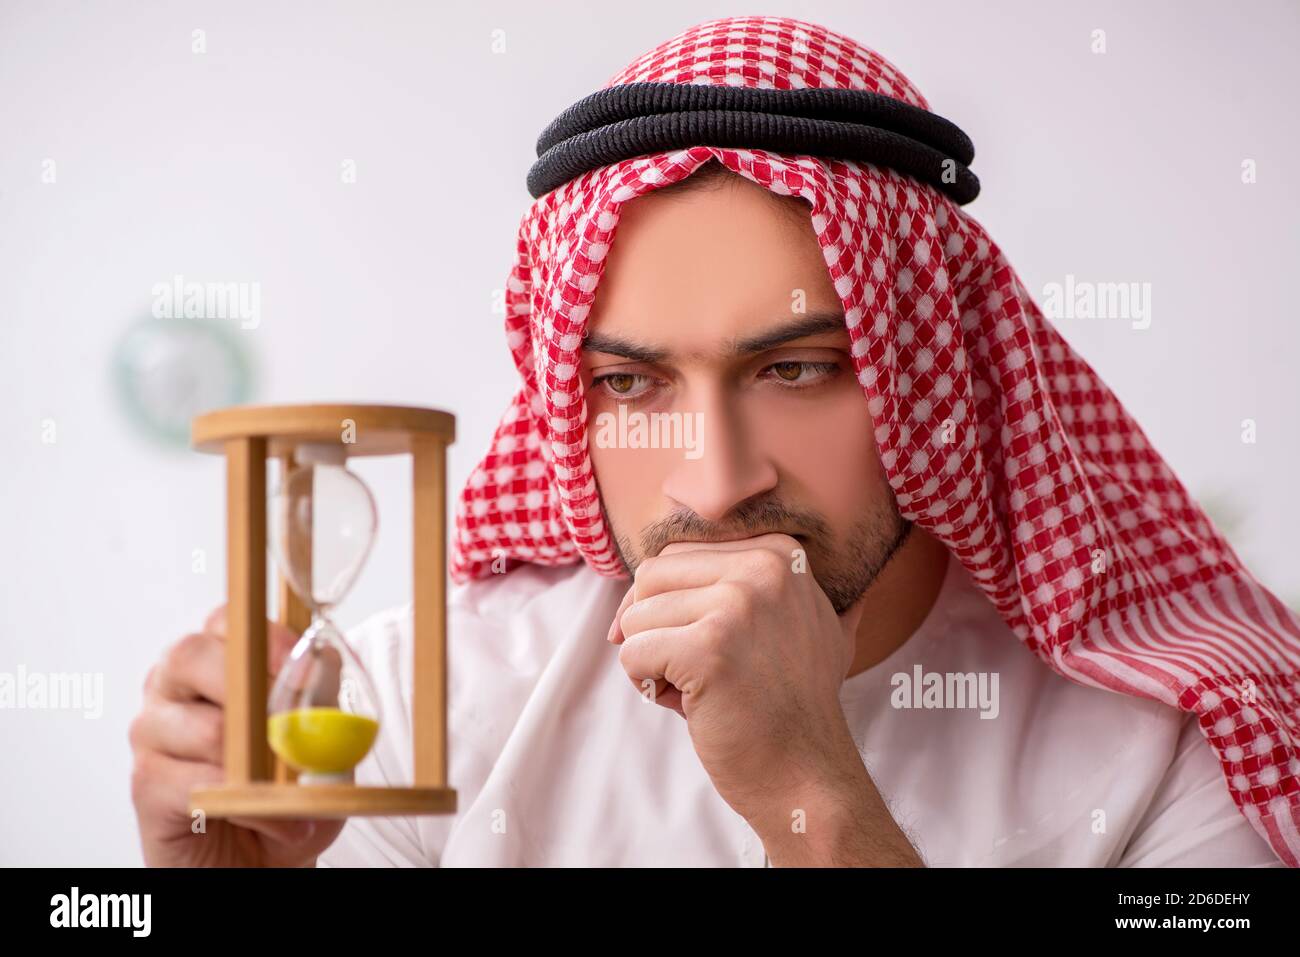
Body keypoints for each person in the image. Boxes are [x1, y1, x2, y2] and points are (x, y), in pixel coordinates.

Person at [129, 15, 1299, 867]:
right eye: (632, 384)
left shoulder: (1170, 754)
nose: (719, 480)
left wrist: (813, 800)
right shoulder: (421, 706)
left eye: (796, 369)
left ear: (933, 376)